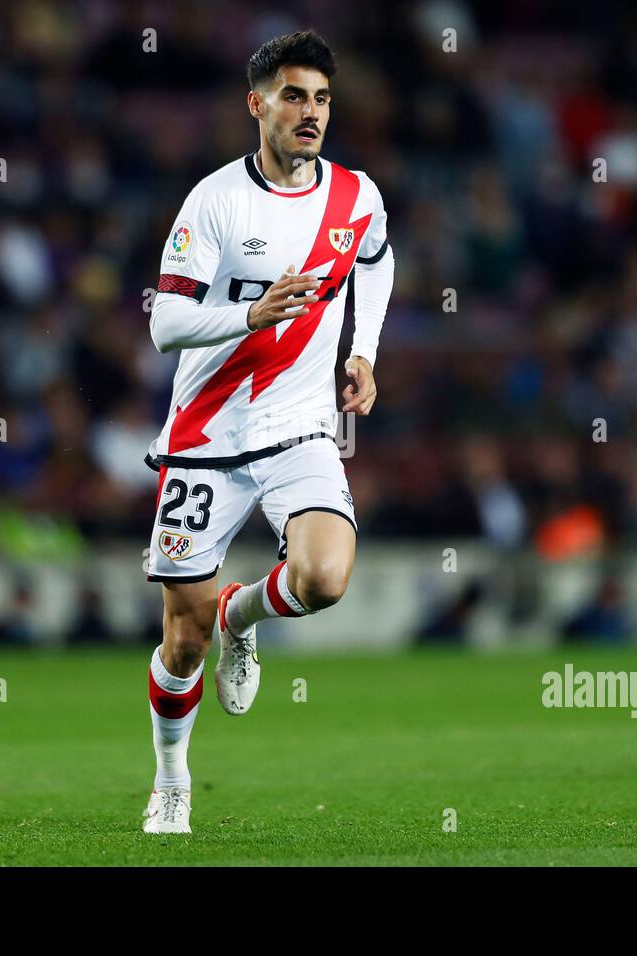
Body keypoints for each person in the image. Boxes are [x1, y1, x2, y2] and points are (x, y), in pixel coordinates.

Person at [139, 31, 394, 833]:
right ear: (257, 104)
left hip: (299, 428)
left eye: (320, 97)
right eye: (293, 95)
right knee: (182, 640)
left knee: (323, 579)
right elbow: (166, 322)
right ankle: (173, 780)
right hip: (206, 436)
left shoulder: (357, 199)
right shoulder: (215, 201)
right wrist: (249, 313)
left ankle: (240, 616)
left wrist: (361, 351)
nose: (310, 112)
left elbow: (377, 262)